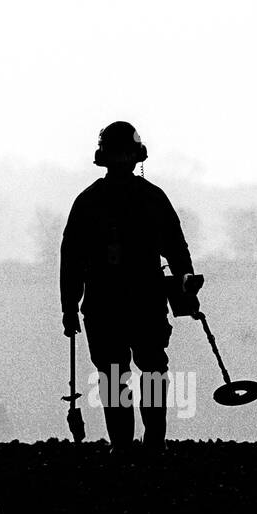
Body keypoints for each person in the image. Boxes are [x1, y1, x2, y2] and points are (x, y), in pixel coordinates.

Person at [59, 121, 199, 456]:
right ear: (139, 156)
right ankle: (152, 444)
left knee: (113, 377)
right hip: (145, 304)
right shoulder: (151, 198)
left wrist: (69, 307)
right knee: (149, 371)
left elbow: (71, 260)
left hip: (104, 306)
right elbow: (177, 251)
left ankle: (123, 447)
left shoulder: (89, 201)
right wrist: (186, 287)